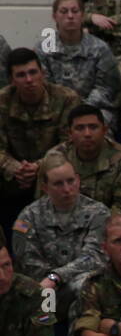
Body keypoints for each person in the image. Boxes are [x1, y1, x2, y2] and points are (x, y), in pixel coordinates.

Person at [11, 151, 109, 319]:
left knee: (85, 288)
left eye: (70, 181)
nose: (67, 189)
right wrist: (52, 281)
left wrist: (57, 276)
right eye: (58, 184)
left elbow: (94, 257)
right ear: (45, 187)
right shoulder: (28, 217)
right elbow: (27, 262)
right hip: (41, 289)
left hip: (81, 287)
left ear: (78, 180)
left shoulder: (99, 213)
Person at [0, 48, 80, 233]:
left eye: (33, 72)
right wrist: (16, 169)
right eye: (21, 75)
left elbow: (69, 144)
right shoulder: (2, 102)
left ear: (42, 73)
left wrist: (38, 167)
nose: (29, 80)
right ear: (12, 80)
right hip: (11, 176)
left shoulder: (66, 99)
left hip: (53, 171)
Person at [39, 0, 121, 131]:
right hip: (55, 109)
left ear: (82, 15)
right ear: (54, 16)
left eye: (75, 11)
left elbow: (106, 88)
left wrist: (83, 109)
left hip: (93, 108)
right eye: (64, 11)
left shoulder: (99, 48)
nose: (70, 16)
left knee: (100, 125)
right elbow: (43, 86)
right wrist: (64, 109)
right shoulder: (44, 48)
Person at [54, 104, 121, 218]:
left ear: (104, 130)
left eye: (93, 127)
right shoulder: (56, 158)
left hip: (108, 228)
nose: (87, 134)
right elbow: (45, 204)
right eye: (80, 128)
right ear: (70, 134)